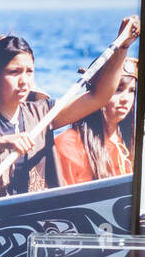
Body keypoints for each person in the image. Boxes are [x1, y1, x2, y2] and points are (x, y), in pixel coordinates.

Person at [0, 16, 141, 202]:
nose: (24, 81)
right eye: (14, 72)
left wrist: (122, 45)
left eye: (29, 71)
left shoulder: (41, 114)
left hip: (33, 220)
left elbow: (98, 97)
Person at [53, 58, 138, 186]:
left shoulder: (130, 141)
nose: (126, 99)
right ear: (98, 93)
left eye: (132, 91)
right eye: (118, 90)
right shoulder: (68, 145)